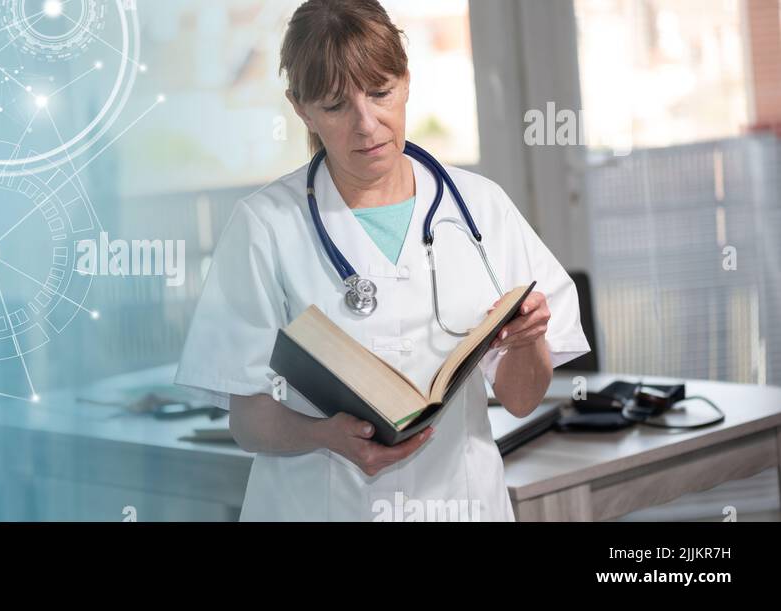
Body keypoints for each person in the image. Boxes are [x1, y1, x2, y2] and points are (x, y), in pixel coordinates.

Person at [174, 0, 590, 521]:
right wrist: (323, 436)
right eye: (334, 106)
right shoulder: (264, 226)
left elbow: (522, 400)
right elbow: (247, 418)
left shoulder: (481, 209)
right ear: (300, 109)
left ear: (407, 81)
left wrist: (529, 343)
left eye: (380, 93)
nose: (366, 125)